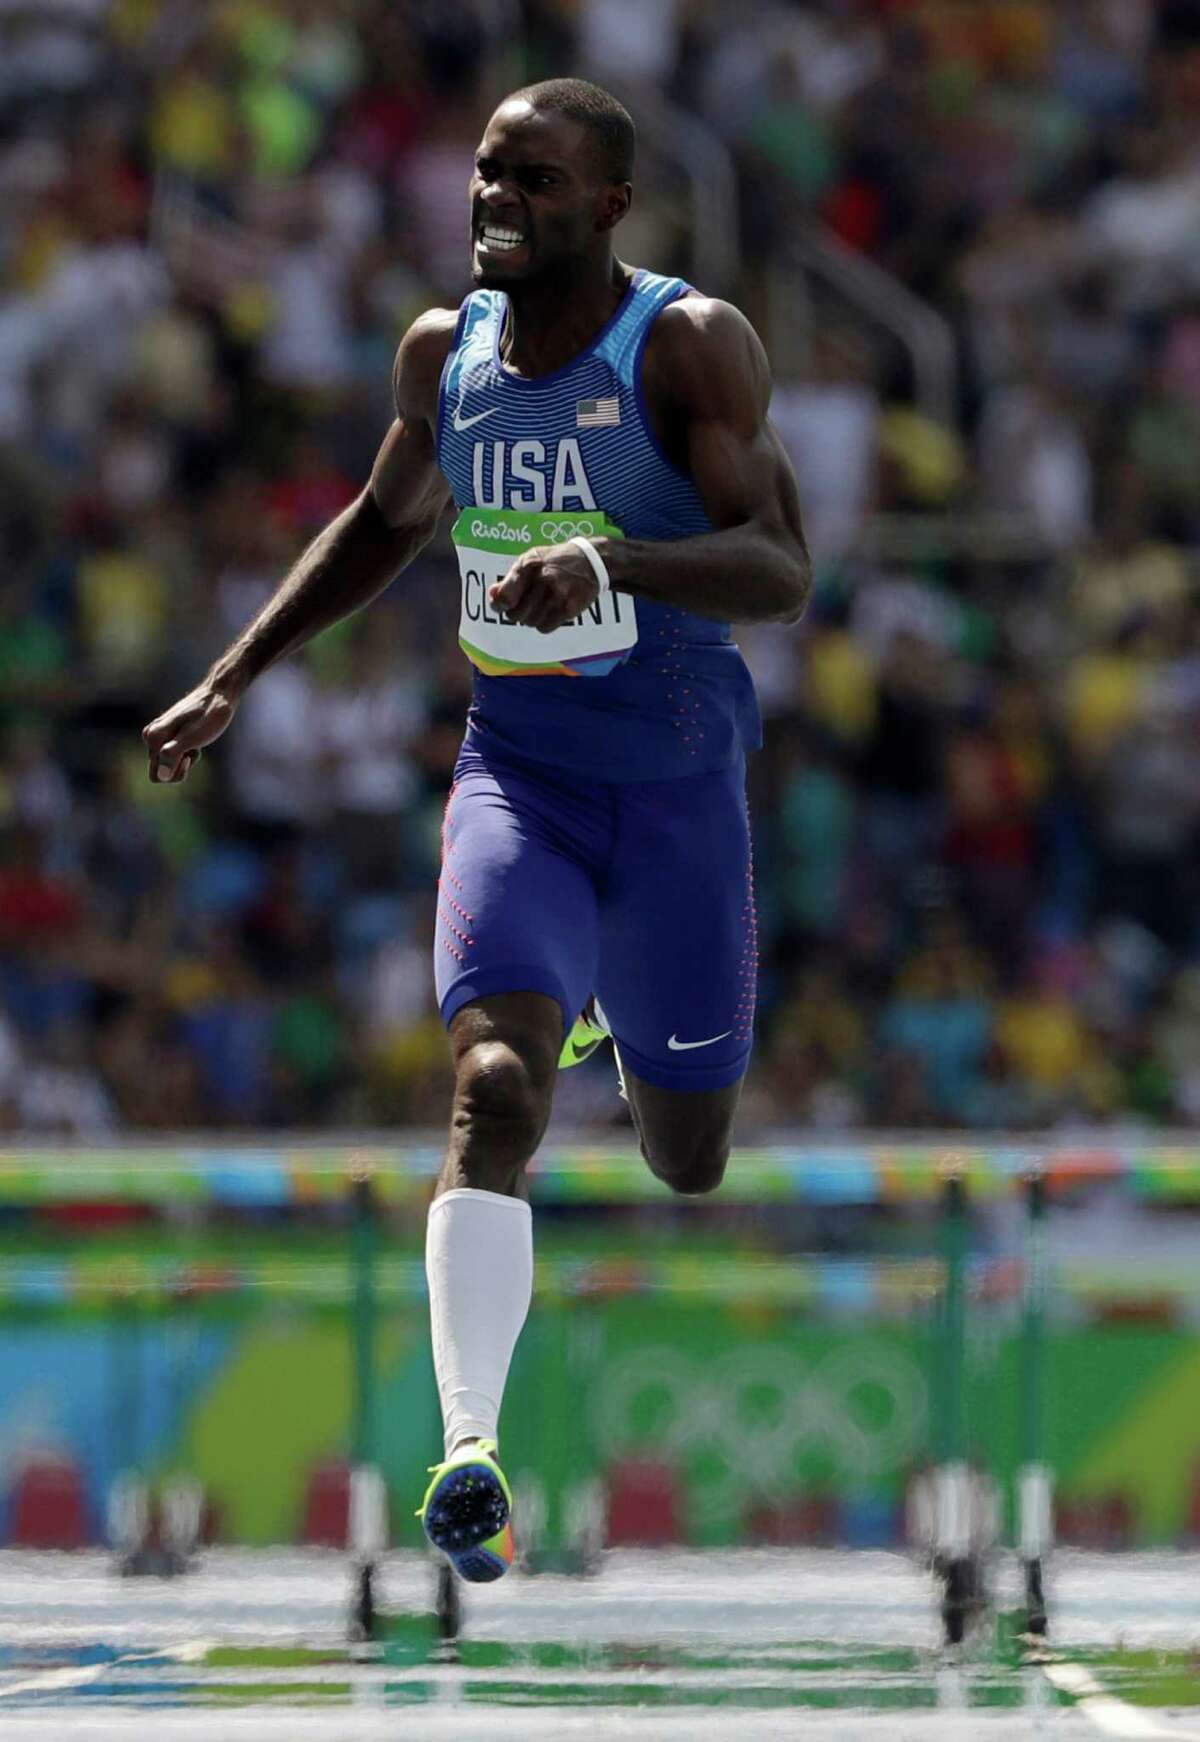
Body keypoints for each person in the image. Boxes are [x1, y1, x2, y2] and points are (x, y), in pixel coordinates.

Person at [143, 78, 810, 1584]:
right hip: (520, 769)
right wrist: (233, 675)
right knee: (491, 1091)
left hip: (680, 779)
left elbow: (781, 567)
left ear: (611, 206)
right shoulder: (446, 353)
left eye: (535, 181)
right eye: (486, 175)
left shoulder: (688, 344)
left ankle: (607, 1022)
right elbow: (386, 523)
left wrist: (611, 562)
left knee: (685, 1155)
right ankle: (469, 1456)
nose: (494, 201)